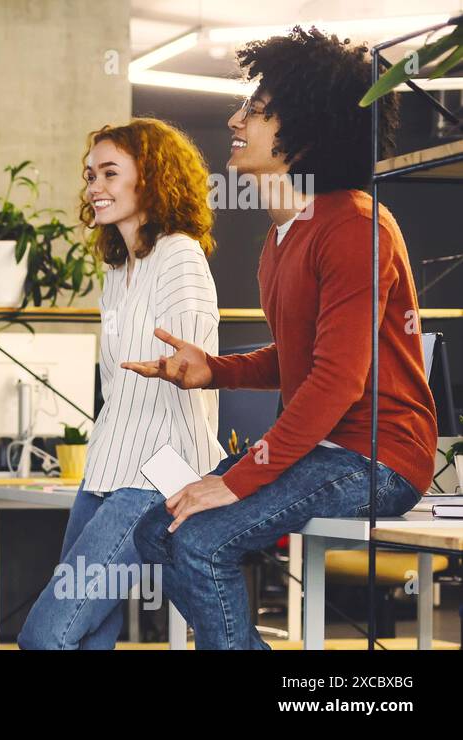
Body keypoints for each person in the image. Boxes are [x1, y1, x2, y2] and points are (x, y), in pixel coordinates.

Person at [127, 27, 437, 649]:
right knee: (154, 531)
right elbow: (301, 357)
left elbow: (337, 379)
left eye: (257, 111)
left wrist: (237, 479)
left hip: (377, 457)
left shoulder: (354, 225)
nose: (235, 117)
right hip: (323, 447)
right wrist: (213, 370)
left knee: (200, 540)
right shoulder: (281, 237)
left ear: (306, 133)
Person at [17, 118, 225, 650]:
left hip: (159, 470)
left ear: (150, 178)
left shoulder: (179, 255)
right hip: (107, 464)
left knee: (47, 635)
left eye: (110, 173)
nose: (94, 187)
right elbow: (117, 389)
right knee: (91, 635)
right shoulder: (119, 269)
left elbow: (196, 372)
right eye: (90, 176)